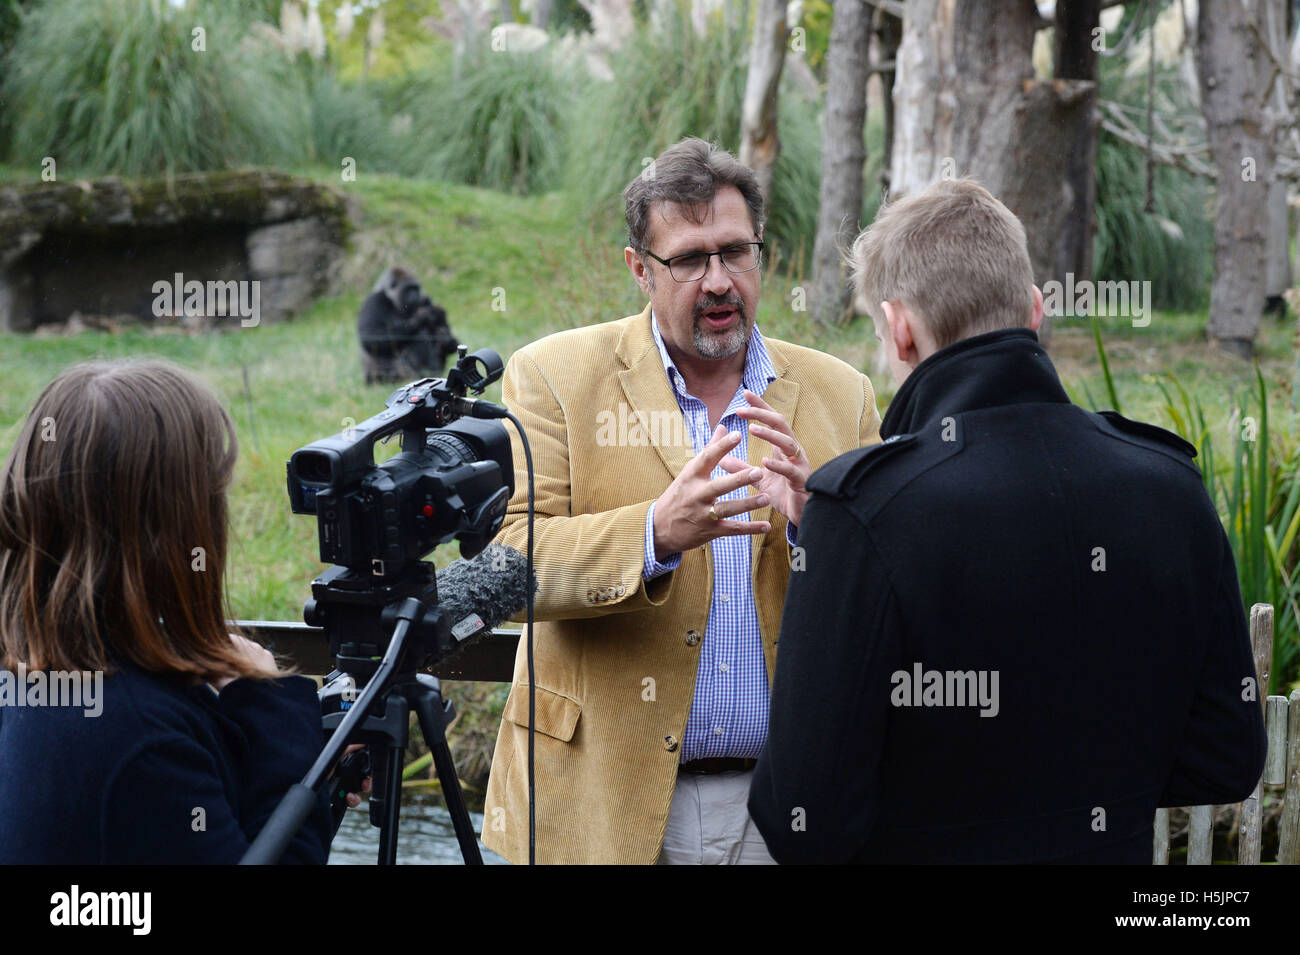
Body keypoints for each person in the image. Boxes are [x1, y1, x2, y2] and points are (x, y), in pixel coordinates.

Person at [747, 178, 1268, 864]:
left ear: (899, 328)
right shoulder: (1170, 485)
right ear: (1036, 309)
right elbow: (1227, 756)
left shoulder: (860, 513)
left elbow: (805, 821)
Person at [481, 137, 882, 864]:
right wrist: (654, 534)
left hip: (784, 807)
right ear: (639, 269)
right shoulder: (552, 375)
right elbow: (510, 565)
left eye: (736, 251)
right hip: (598, 801)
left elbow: (891, 596)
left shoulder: (841, 393)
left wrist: (812, 529)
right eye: (690, 259)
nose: (720, 279)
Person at [0, 359, 353, 864]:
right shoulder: (138, 735)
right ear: (176, 527)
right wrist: (269, 708)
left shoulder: (35, 683)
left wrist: (304, 771)